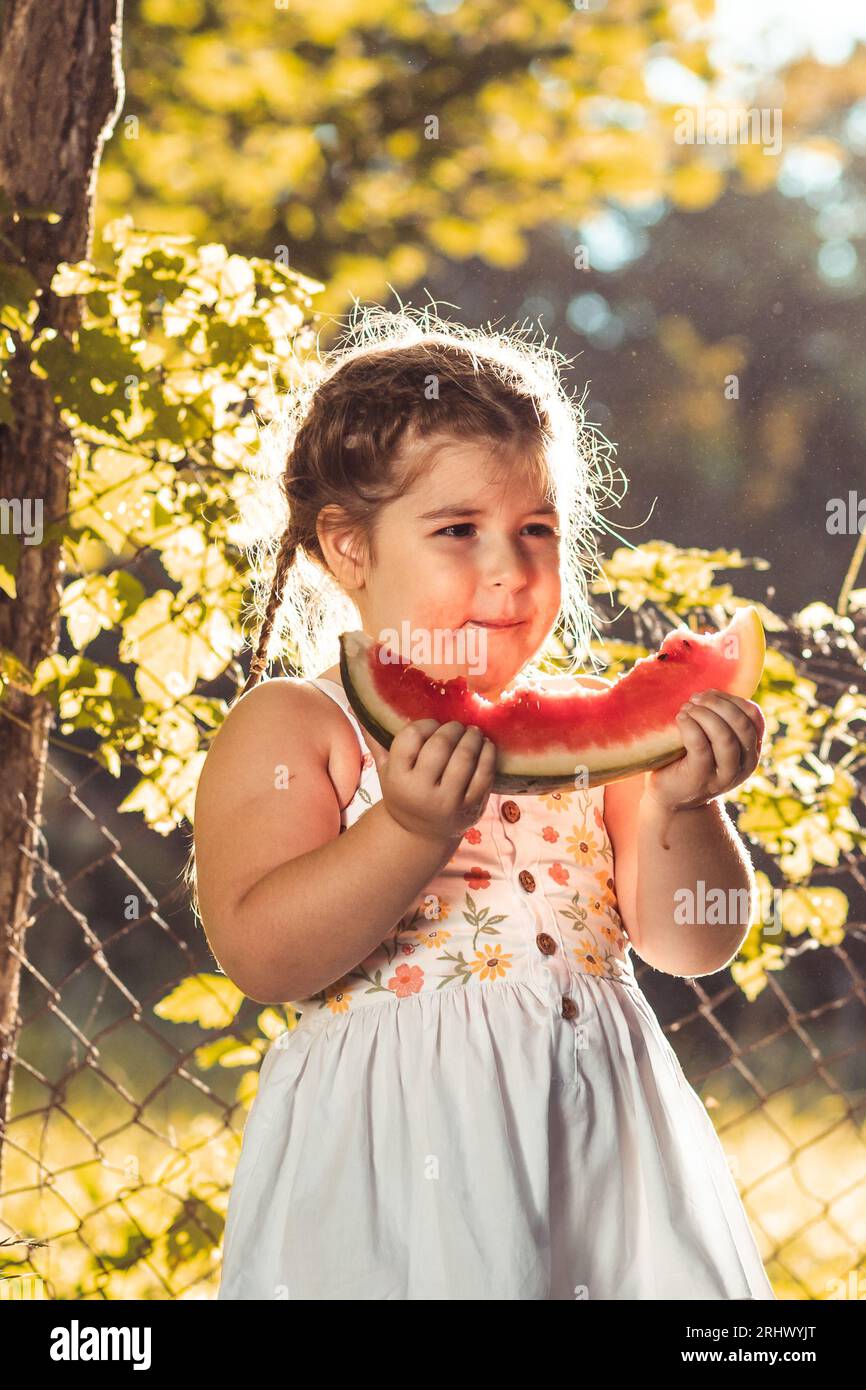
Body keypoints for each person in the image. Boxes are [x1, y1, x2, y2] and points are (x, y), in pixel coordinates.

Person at [191, 307, 776, 1300]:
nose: (509, 568)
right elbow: (262, 955)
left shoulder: (605, 750)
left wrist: (684, 804)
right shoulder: (300, 726)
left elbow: (691, 942)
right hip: (390, 1167)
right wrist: (406, 827)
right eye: (459, 530)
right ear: (349, 548)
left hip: (598, 1152)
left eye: (536, 529)